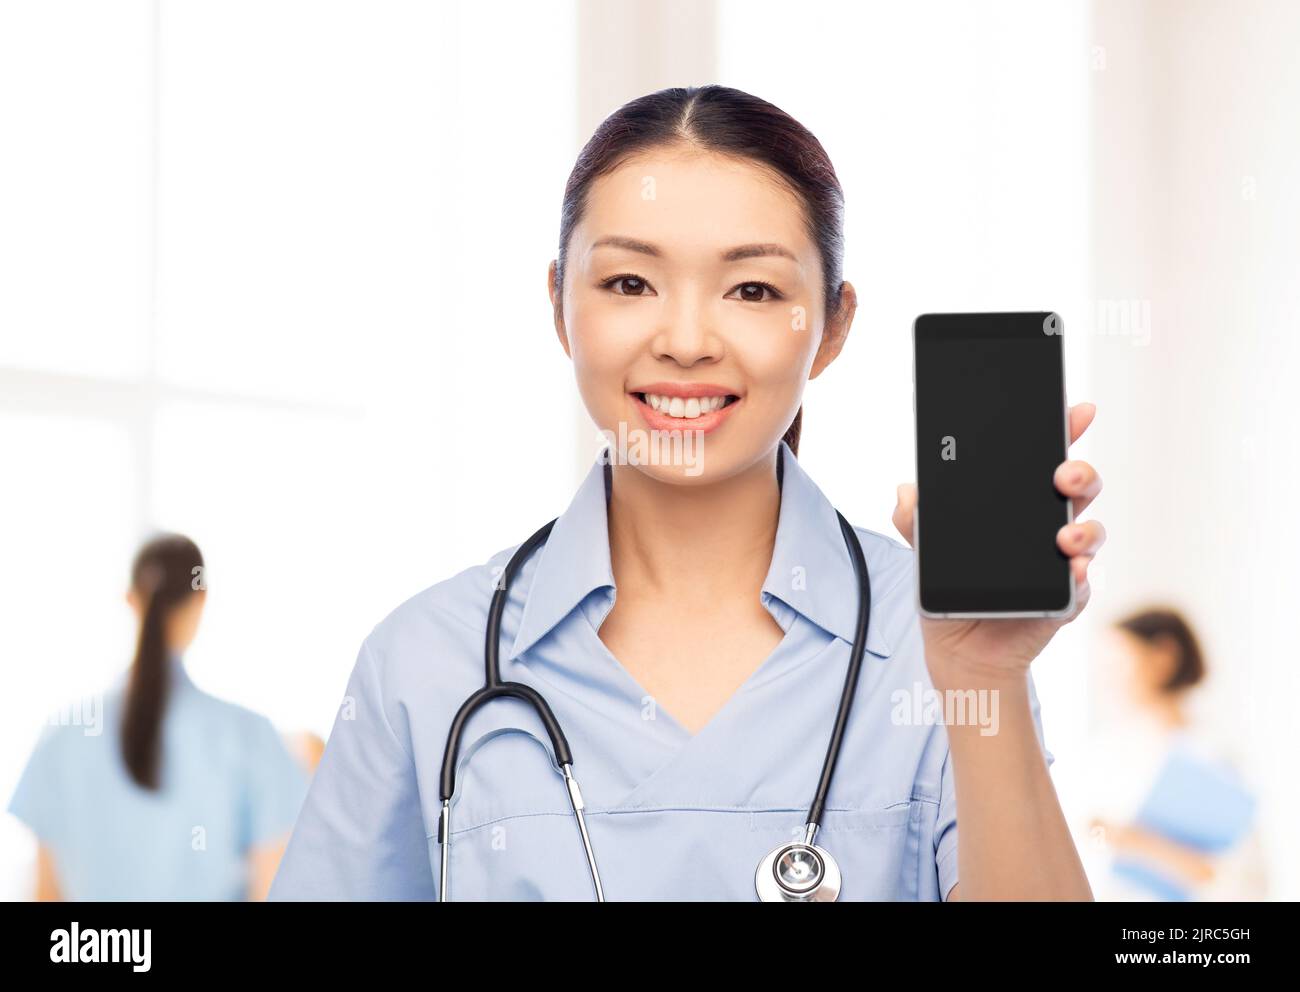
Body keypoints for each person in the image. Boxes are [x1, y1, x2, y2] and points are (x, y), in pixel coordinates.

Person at [269, 85, 1106, 901]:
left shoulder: (940, 645)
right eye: (631, 284)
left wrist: (984, 675)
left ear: (833, 327)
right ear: (560, 305)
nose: (686, 342)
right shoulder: (422, 663)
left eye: (753, 290)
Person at [7, 533, 309, 900]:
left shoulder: (63, 735)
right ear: (201, 600)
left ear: (131, 599)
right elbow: (272, 890)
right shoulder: (250, 738)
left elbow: (46, 896)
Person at [1086, 608, 1266, 900]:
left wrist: (1140, 844)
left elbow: (1240, 877)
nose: (1107, 679)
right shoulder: (1104, 751)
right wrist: (1104, 836)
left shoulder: (1212, 757)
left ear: (1163, 657)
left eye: (1118, 663)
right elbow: (1093, 840)